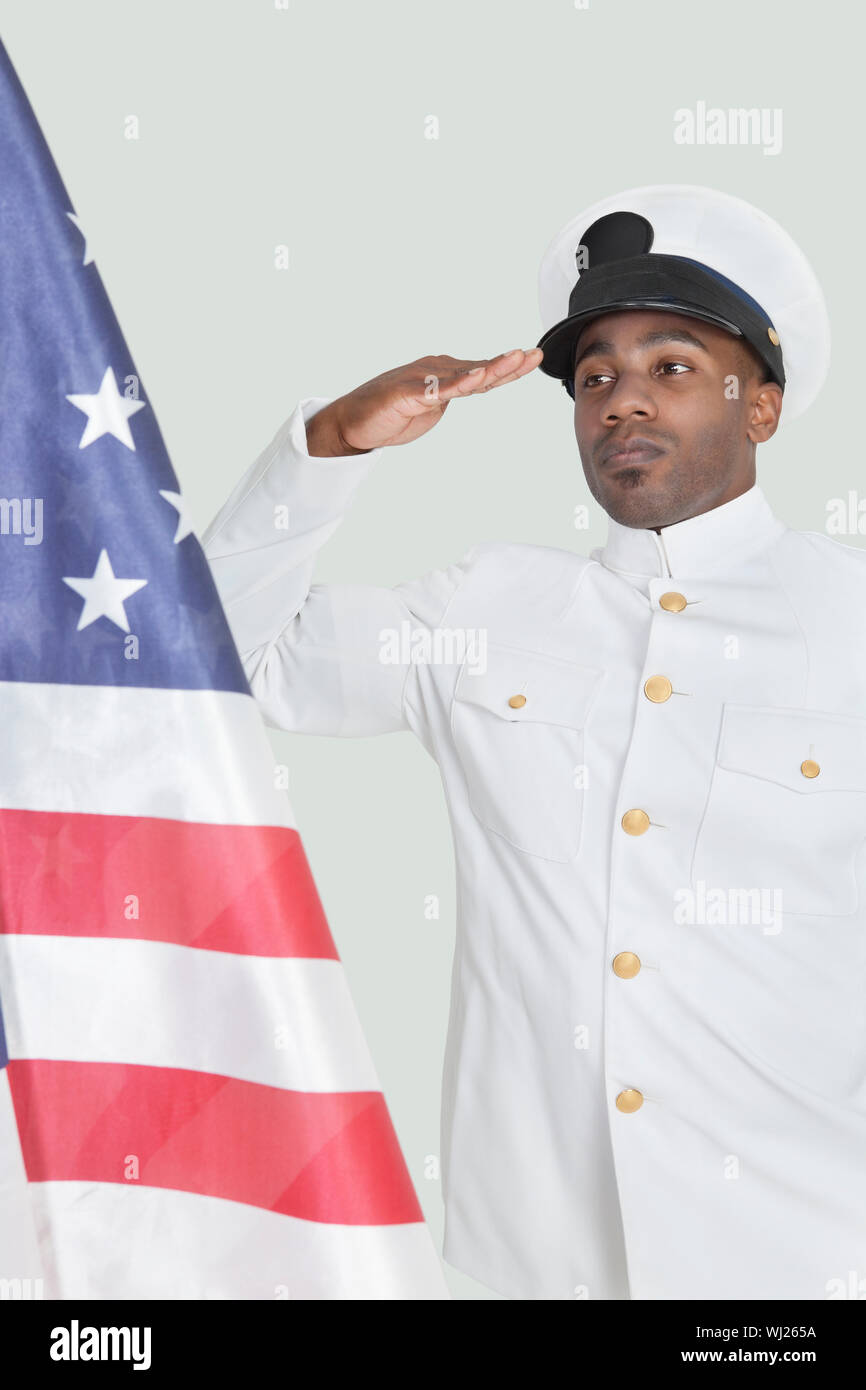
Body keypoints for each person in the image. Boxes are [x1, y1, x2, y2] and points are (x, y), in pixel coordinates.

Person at [202, 184, 866, 1301]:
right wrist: (328, 446)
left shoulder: (845, 615)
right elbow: (223, 658)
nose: (618, 401)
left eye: (669, 366)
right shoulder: (491, 607)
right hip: (538, 1257)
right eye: (593, 376)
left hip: (795, 1255)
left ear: (759, 406)